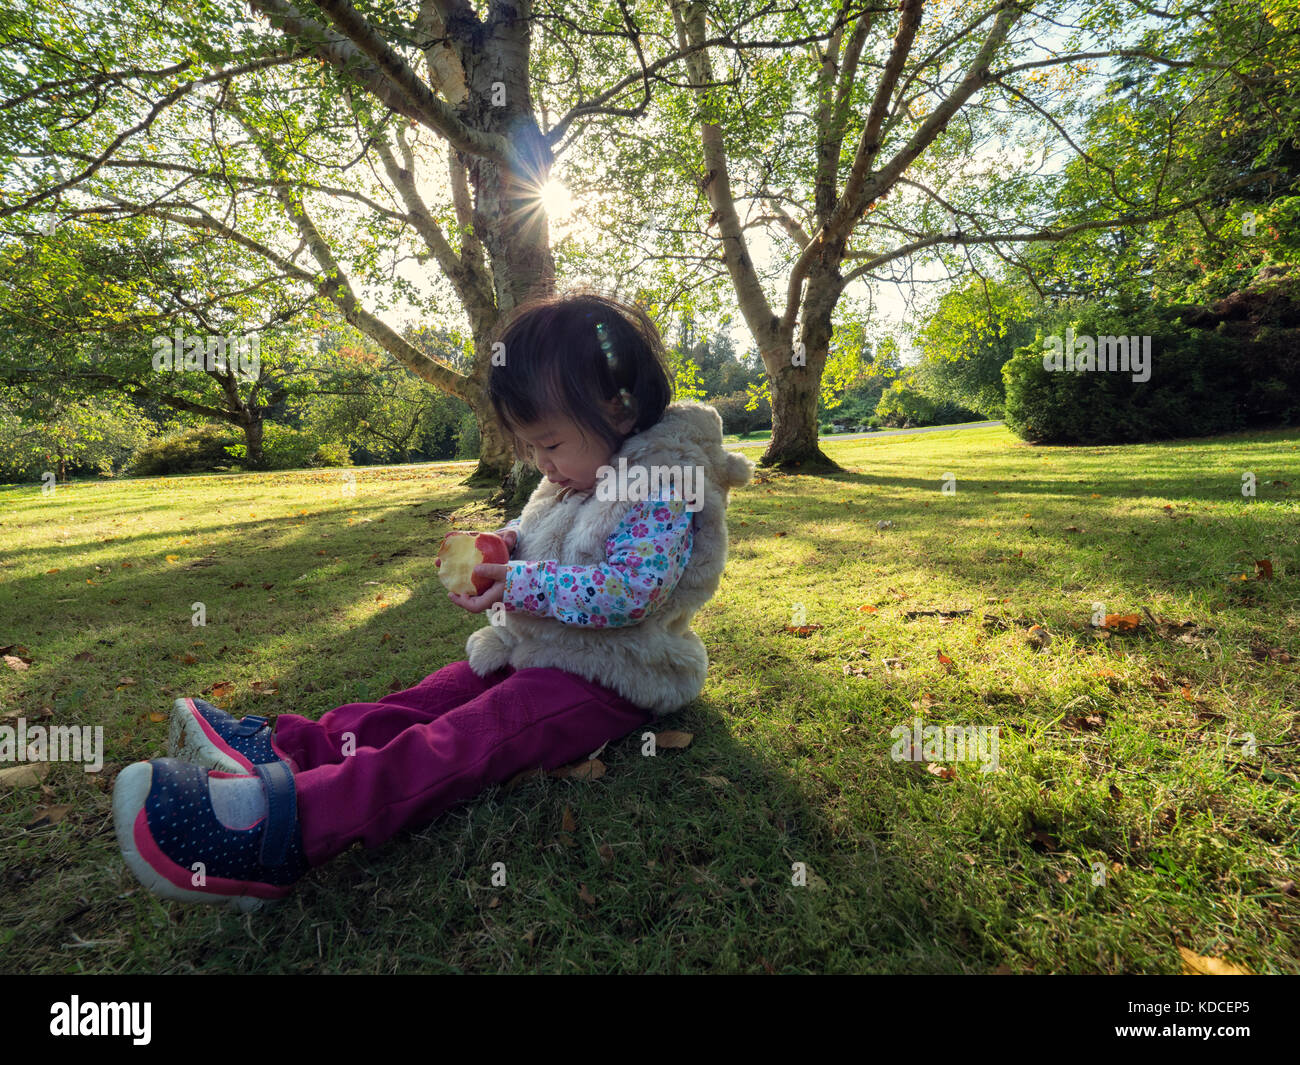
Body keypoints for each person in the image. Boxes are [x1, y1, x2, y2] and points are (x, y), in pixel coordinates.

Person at [111, 291, 755, 910]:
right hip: (538, 648)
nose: (540, 463)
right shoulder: (580, 475)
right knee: (431, 697)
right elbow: (538, 541)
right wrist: (503, 546)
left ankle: (284, 829)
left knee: (467, 735)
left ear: (618, 410)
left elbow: (632, 592)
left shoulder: (662, 482)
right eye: (527, 447)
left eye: (550, 444)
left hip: (612, 677)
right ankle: (285, 751)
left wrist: (518, 582)